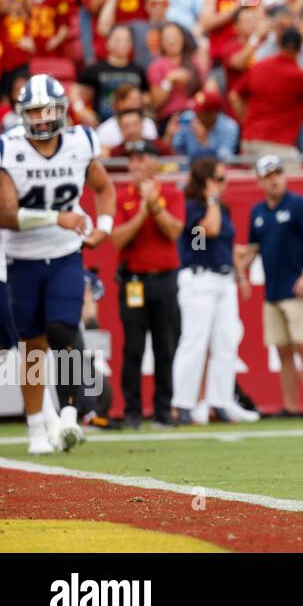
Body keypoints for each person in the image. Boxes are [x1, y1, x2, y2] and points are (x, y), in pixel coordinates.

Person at [1, 75, 114, 454]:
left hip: (66, 253)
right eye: (35, 111)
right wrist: (55, 217)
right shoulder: (10, 149)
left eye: (49, 109)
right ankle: (36, 426)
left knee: (64, 329)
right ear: (22, 114)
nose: (44, 118)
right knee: (32, 345)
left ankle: (68, 413)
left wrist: (106, 227)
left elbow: (104, 187)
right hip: (21, 257)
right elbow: (6, 215)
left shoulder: (80, 143)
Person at [173, 155, 259, 425]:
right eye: (219, 179)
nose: (224, 184)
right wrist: (211, 200)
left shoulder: (223, 208)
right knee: (195, 341)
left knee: (226, 342)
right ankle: (182, 404)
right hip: (199, 278)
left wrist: (240, 274)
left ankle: (219, 402)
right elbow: (206, 233)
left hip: (223, 279)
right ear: (206, 181)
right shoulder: (191, 207)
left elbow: (225, 244)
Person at [241, 155, 303, 421]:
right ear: (259, 181)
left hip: (297, 287)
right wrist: (237, 266)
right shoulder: (258, 212)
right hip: (273, 291)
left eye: (277, 174)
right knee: (282, 349)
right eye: (268, 176)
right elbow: (252, 250)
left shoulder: (298, 204)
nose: (274, 180)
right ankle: (290, 407)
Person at [110, 140, 184, 430]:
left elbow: (175, 231)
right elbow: (117, 239)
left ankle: (164, 410)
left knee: (165, 346)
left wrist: (154, 207)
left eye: (142, 159)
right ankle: (132, 410)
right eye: (132, 160)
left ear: (155, 164)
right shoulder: (122, 197)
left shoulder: (171, 194)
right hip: (134, 281)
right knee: (134, 348)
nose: (136, 165)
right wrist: (142, 210)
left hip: (164, 279)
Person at [233, 28, 303, 168]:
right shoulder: (299, 77)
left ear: (279, 44)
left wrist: (246, 122)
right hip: (277, 147)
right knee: (293, 183)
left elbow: (234, 96)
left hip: (249, 142)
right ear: (300, 49)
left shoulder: (259, 67)